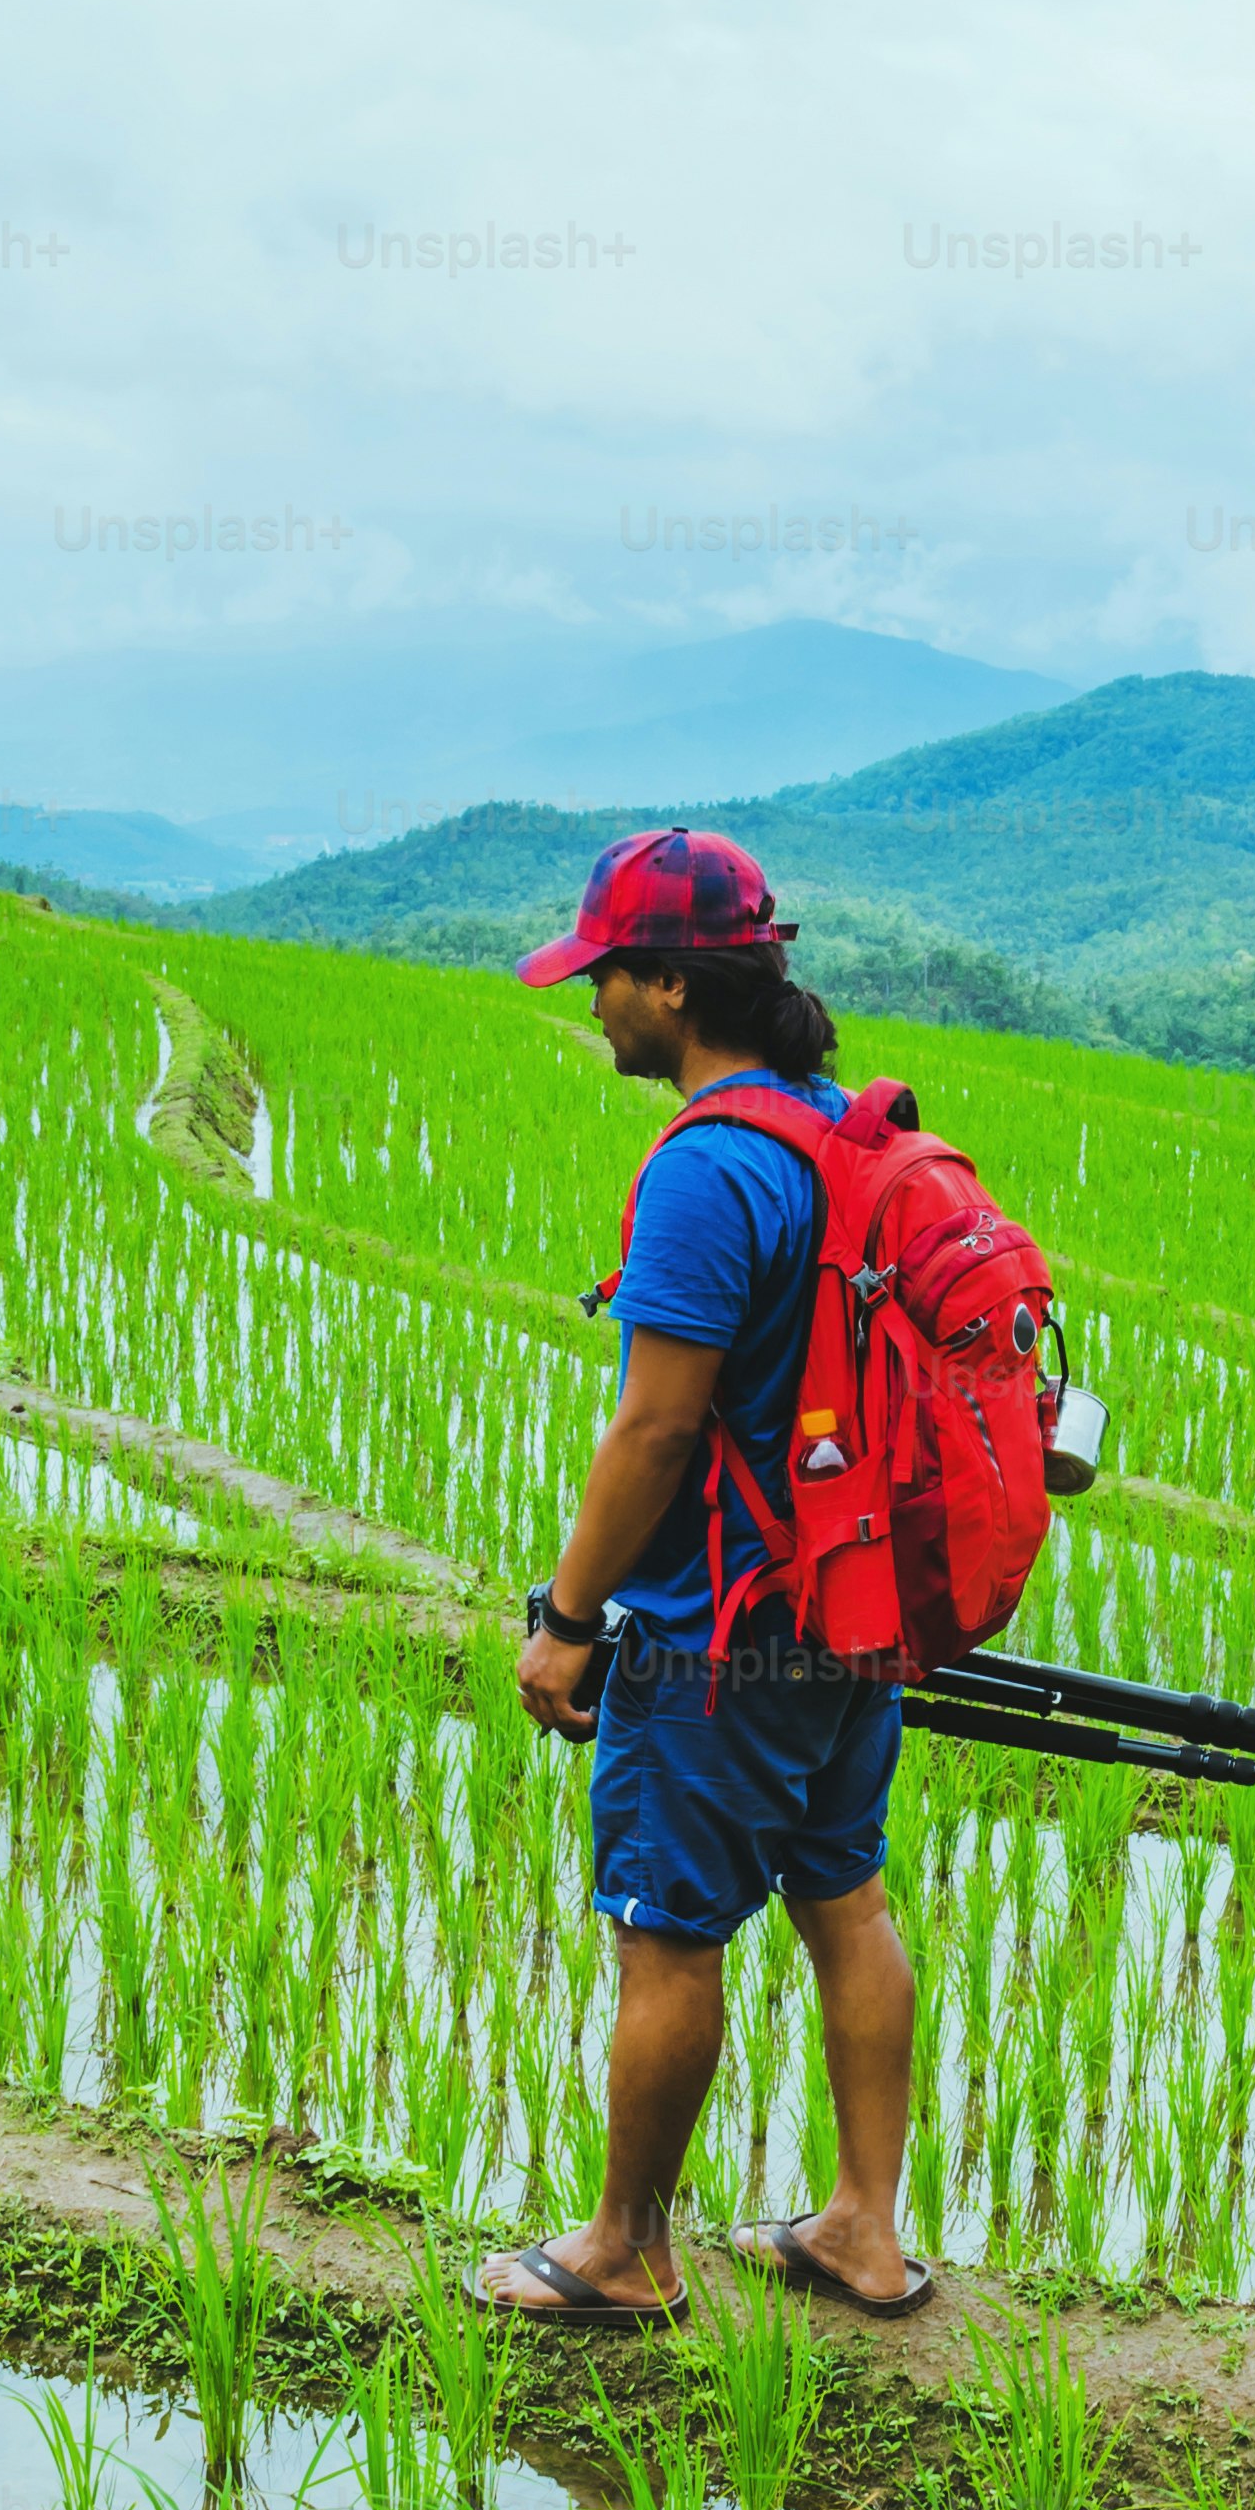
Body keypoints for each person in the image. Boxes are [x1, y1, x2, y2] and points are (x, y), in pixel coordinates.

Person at [478, 829, 933, 2325]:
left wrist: (565, 1619)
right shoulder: (842, 1135)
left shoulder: (707, 1167)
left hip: (718, 1634)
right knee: (845, 1900)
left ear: (672, 984)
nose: (593, 1001)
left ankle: (626, 2248)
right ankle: (865, 2227)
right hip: (850, 1614)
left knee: (668, 1937)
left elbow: (660, 1424)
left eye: (606, 974)